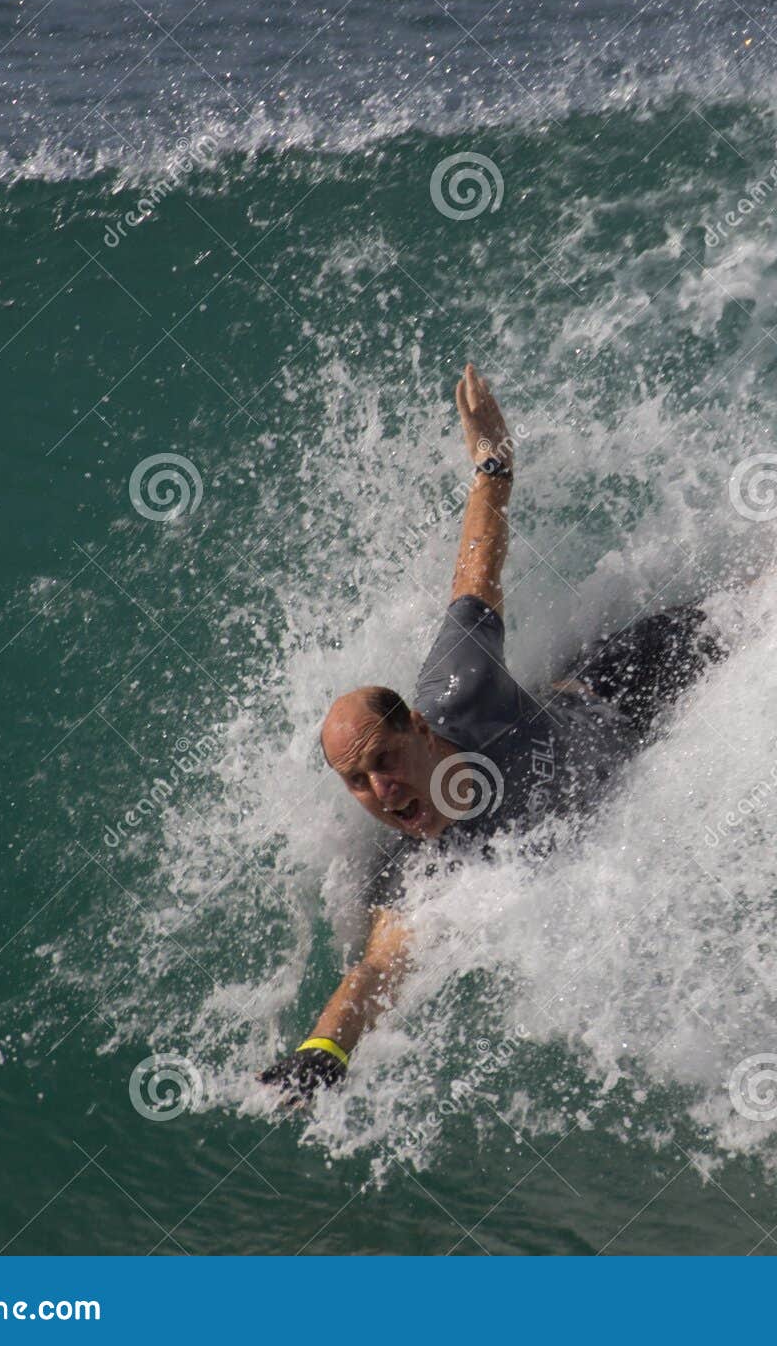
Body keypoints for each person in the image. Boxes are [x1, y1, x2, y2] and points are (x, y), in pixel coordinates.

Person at [261, 366, 723, 1099]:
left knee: (763, 611)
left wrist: (492, 463)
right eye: (357, 781)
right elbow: (376, 971)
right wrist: (325, 1051)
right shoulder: (419, 871)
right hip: (622, 775)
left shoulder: (462, 684)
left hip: (627, 686)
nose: (382, 790)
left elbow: (476, 570)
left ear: (418, 728)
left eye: (384, 759)